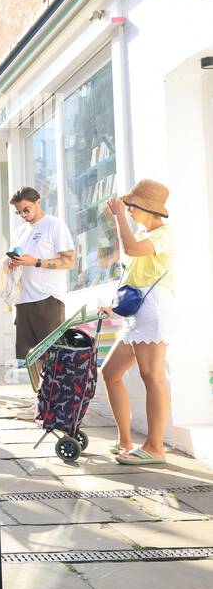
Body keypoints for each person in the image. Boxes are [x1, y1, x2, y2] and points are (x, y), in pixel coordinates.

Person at [99, 181, 173, 465]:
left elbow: (131, 249)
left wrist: (119, 216)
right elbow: (133, 280)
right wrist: (114, 308)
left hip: (154, 310)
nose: (129, 210)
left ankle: (155, 447)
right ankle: (125, 441)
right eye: (127, 206)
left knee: (151, 376)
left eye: (132, 207)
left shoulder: (165, 235)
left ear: (149, 209)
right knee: (111, 373)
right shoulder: (145, 232)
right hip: (137, 313)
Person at [5, 186, 74, 361]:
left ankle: (52, 389)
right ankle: (39, 390)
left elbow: (68, 261)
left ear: (38, 202)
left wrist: (35, 262)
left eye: (26, 210)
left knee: (52, 358)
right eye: (19, 212)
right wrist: (14, 263)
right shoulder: (20, 231)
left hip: (48, 299)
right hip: (23, 300)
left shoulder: (54, 224)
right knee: (29, 359)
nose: (23, 215)